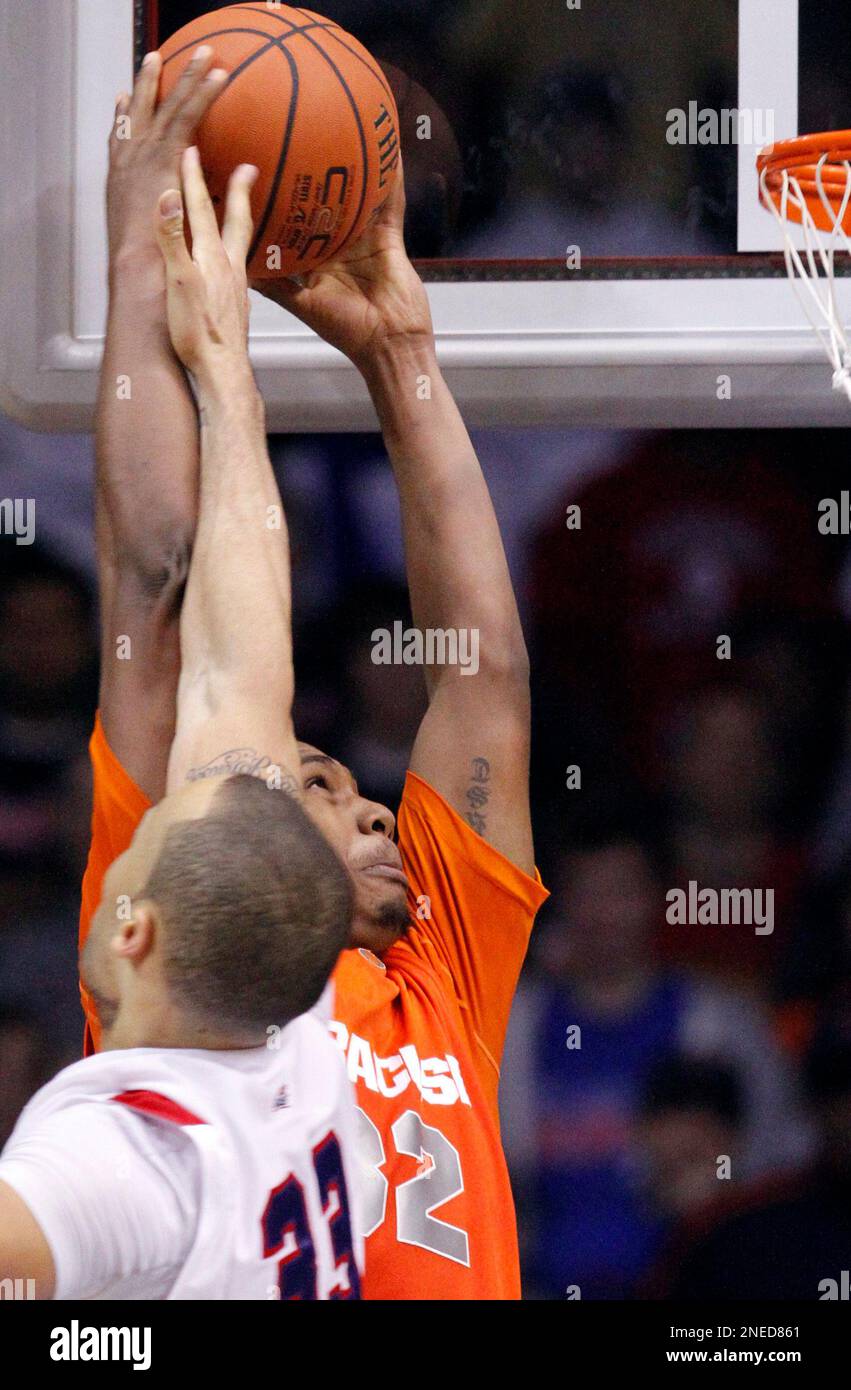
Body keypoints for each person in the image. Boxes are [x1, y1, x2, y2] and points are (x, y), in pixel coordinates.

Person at [84, 47, 546, 1299]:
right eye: (325, 783)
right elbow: (156, 579)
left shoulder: (429, 976)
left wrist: (402, 356)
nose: (376, 805)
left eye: (343, 783)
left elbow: (481, 670)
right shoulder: (184, 950)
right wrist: (142, 265)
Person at [0, 154, 360, 1300]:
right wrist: (223, 369)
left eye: (133, 857)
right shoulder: (296, 1050)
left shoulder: (120, 1160)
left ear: (139, 932)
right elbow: (240, 675)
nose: (110, 858)